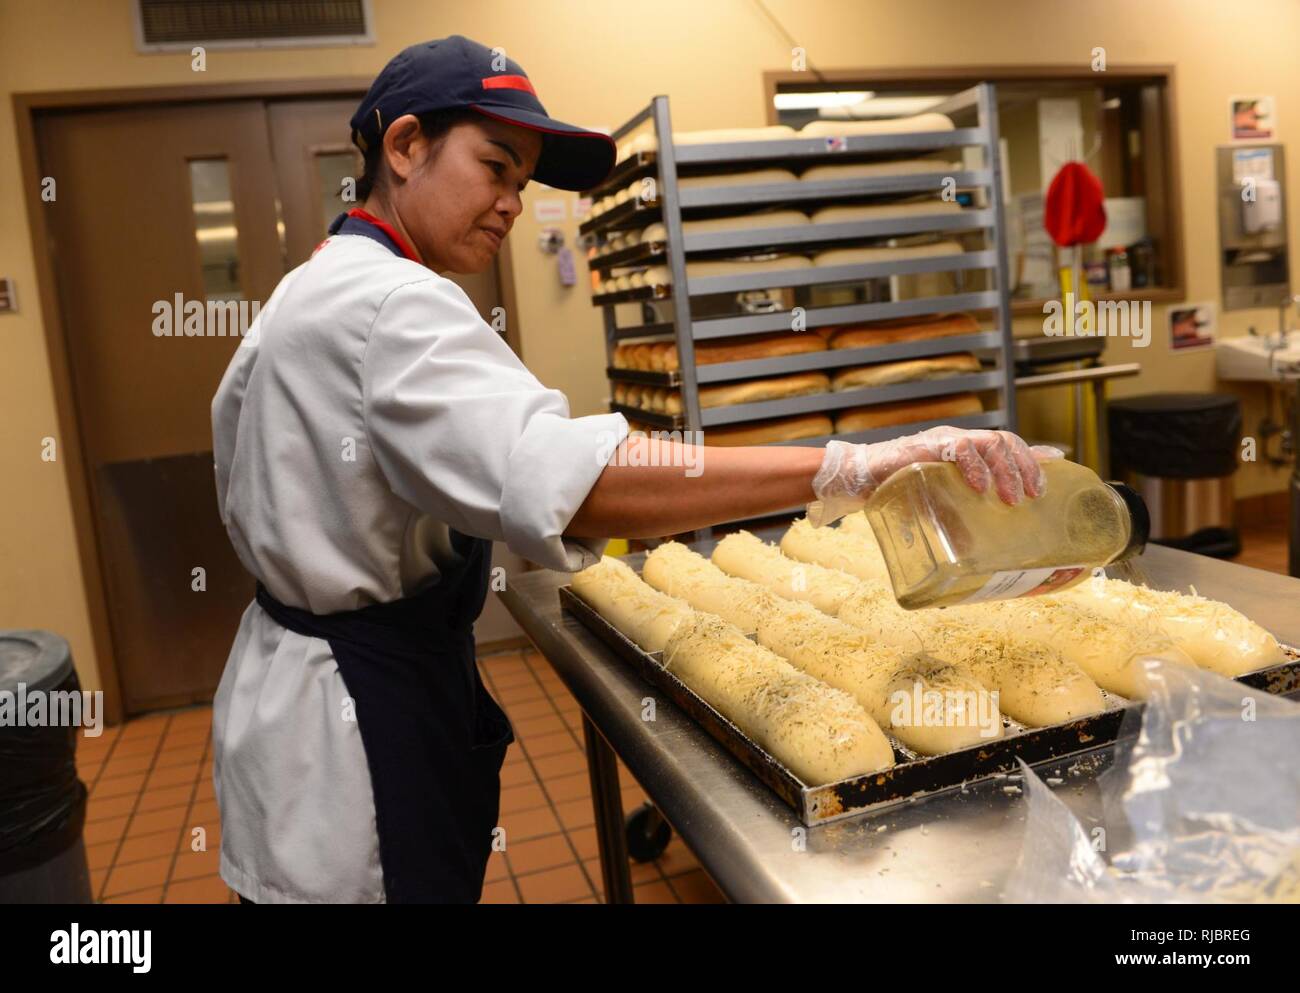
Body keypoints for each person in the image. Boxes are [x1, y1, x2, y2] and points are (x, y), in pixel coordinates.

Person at [210, 34, 1051, 904]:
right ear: (406, 144)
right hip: (356, 738)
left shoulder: (318, 284)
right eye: (495, 167)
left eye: (521, 182)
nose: (509, 203)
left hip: (303, 702)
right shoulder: (390, 304)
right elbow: (588, 485)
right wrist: (851, 467)